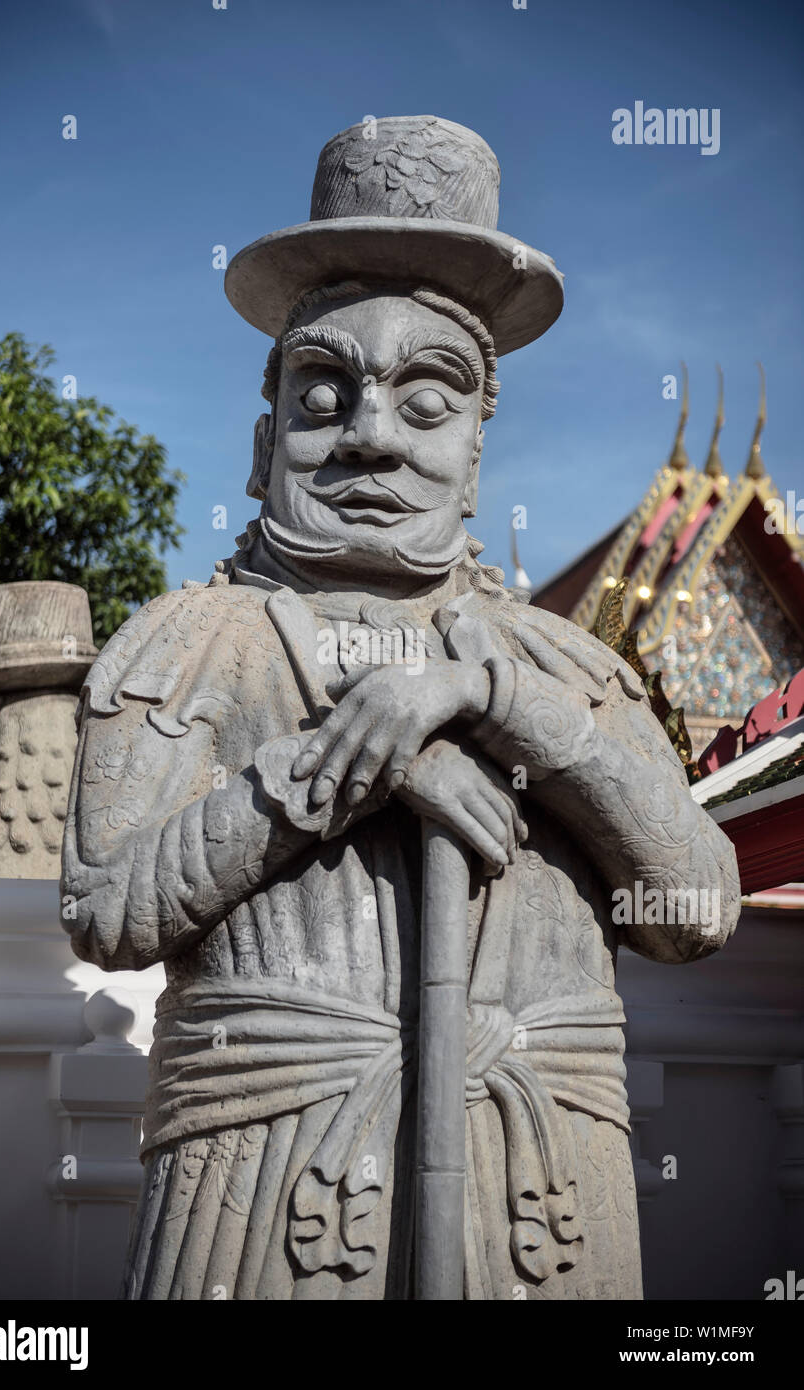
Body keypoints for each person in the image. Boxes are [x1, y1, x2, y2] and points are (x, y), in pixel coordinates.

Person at [62, 116, 739, 1300]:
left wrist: (490, 696)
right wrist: (338, 768)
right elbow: (109, 910)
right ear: (266, 440)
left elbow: (696, 906)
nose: (370, 437)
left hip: (538, 1195)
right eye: (325, 398)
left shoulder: (563, 662)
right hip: (271, 1182)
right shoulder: (192, 642)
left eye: (427, 406)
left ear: (477, 454)